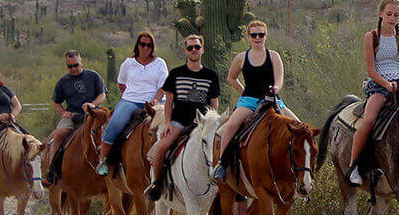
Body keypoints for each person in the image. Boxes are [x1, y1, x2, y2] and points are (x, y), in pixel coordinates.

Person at [210, 20, 299, 180]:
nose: (257, 37)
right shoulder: (241, 58)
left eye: (261, 34)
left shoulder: (273, 56)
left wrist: (276, 89)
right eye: (254, 34)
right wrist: (243, 91)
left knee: (300, 127)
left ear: (266, 36)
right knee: (230, 127)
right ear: (248, 37)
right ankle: (223, 164)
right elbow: (231, 78)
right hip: (249, 101)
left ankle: (300, 169)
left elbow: (279, 79)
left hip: (272, 99)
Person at [344, 0, 399, 186]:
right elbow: (371, 70)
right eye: (389, 14)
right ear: (381, 13)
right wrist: (385, 84)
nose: (392, 18)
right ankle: (354, 166)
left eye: (396, 15)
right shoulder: (372, 37)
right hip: (379, 83)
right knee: (369, 120)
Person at [144, 35, 222, 200]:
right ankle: (157, 184)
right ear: (186, 51)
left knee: (222, 148)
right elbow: (169, 102)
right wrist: (167, 123)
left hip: (202, 124)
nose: (194, 50)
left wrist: (213, 123)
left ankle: (227, 185)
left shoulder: (211, 75)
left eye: (197, 47)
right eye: (190, 48)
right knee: (161, 148)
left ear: (203, 50)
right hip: (179, 121)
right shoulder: (176, 73)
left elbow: (214, 103)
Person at [95, 31, 168, 176]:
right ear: (138, 45)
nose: (145, 48)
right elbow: (122, 83)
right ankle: (104, 161)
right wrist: (131, 96)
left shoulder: (160, 63)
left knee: (173, 124)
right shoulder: (128, 63)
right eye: (142, 44)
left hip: (155, 102)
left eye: (149, 45)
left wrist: (155, 99)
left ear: (152, 46)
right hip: (131, 100)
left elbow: (163, 86)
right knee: (114, 124)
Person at [44, 49, 106, 185]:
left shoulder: (93, 76)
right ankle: (52, 171)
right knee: (59, 135)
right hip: (73, 115)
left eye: (76, 65)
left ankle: (111, 166)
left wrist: (92, 104)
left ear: (81, 62)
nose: (73, 69)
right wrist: (62, 112)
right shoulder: (63, 82)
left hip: (93, 113)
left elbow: (102, 95)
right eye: (70, 66)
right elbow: (56, 102)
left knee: (107, 132)